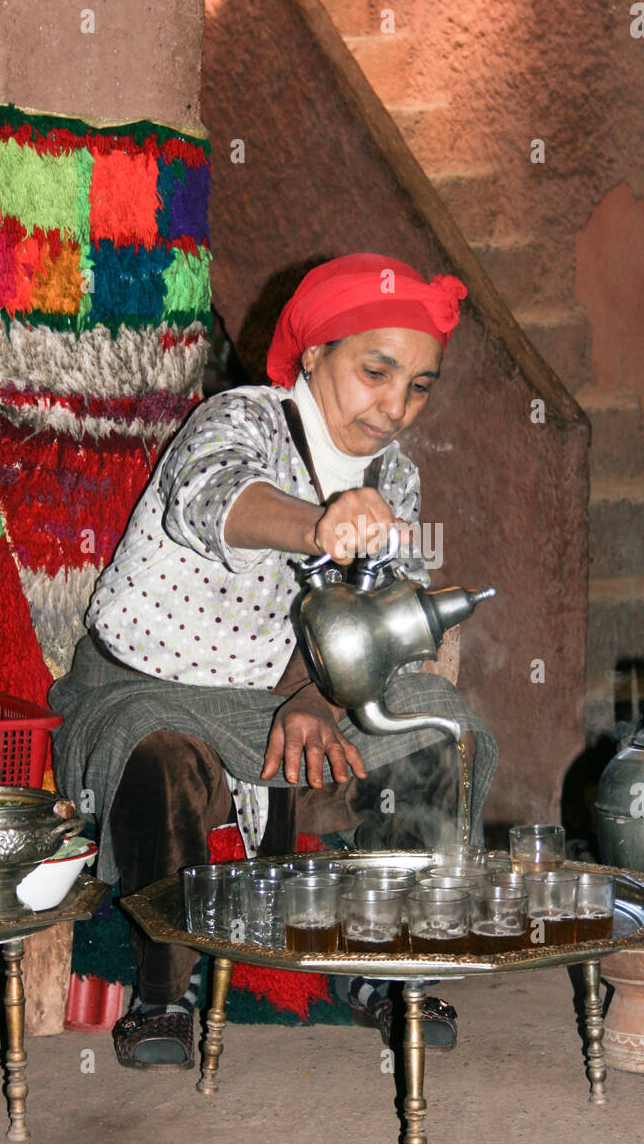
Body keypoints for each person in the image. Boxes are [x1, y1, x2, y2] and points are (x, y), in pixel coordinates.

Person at [49, 252, 498, 1069]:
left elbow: (363, 625)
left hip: (286, 695)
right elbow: (212, 499)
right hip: (150, 684)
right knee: (161, 761)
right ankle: (164, 991)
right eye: (375, 372)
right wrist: (319, 525)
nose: (395, 407)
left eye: (419, 386)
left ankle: (385, 958)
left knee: (439, 733)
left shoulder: (395, 478)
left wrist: (314, 700)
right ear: (316, 353)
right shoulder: (240, 418)